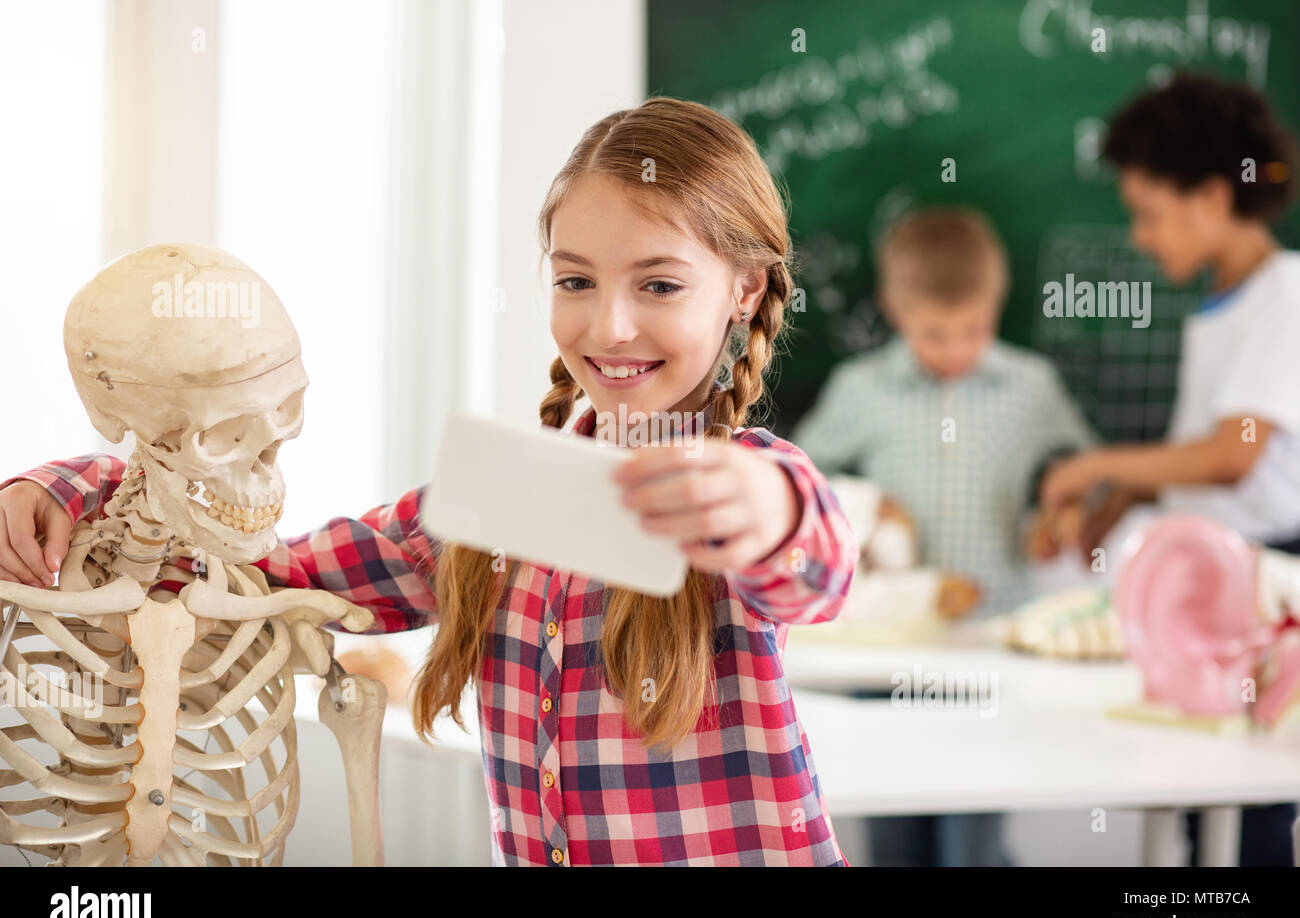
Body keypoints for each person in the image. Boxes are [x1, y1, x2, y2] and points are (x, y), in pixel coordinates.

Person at [0, 97, 859, 866]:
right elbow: (261, 569)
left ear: (745, 290)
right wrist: (75, 486)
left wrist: (765, 509)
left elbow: (818, 562)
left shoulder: (745, 489)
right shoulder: (502, 504)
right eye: (574, 281)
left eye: (660, 284)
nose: (609, 324)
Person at [1040, 72, 1300, 867]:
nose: (1143, 238)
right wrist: (1117, 496)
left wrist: (1094, 465)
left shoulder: (1284, 295)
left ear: (1215, 198)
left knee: (1246, 813)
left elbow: (1232, 454)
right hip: (1213, 591)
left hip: (1266, 586)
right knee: (1199, 804)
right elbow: (1195, 455)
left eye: (1150, 214)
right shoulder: (1222, 304)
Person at [792, 206, 1098, 865]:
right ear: (895, 310)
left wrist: (1062, 515)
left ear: (997, 305)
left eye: (974, 330)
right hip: (885, 650)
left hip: (992, 645)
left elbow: (1081, 474)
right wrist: (870, 509)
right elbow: (803, 488)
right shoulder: (861, 390)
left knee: (973, 845)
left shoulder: (1032, 388)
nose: (957, 350)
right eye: (936, 334)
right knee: (897, 834)